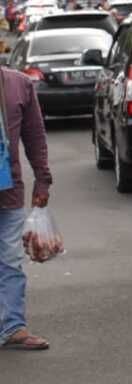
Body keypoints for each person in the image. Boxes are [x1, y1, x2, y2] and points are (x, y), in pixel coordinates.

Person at [0, 66, 52, 351]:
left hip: (8, 193)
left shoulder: (19, 85)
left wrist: (42, 179)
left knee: (10, 261)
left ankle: (13, 327)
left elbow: (34, 136)